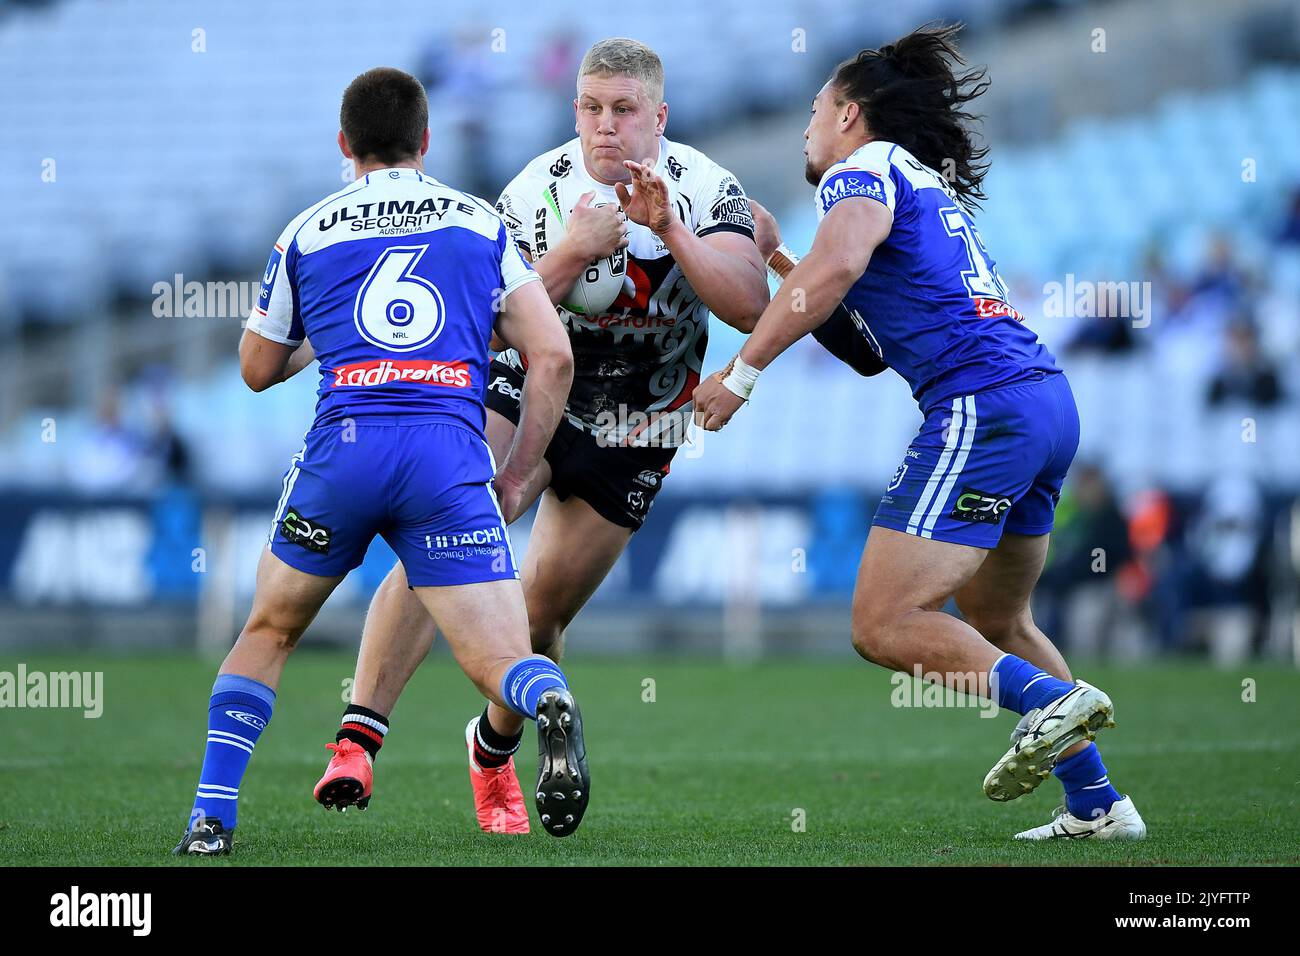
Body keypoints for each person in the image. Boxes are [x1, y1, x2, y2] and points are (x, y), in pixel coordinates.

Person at [693, 24, 1146, 841]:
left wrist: (741, 374)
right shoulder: (911, 180)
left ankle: (1050, 703)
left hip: (982, 402)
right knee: (998, 621)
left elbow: (834, 276)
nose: (805, 128)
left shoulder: (860, 171)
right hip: (1043, 401)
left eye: (814, 110)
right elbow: (864, 348)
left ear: (851, 116)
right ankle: (1097, 805)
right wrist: (775, 260)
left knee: (882, 624)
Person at [313, 37, 772, 835]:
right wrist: (566, 256)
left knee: (539, 617)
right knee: (441, 533)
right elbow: (482, 327)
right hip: (525, 385)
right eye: (591, 108)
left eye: (624, 111)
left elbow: (750, 306)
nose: (605, 127)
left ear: (658, 117)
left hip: (638, 421)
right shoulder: (532, 193)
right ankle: (358, 737)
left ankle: (492, 749)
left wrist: (673, 233)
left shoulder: (704, 186)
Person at [175, 67, 585, 855]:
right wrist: (517, 475)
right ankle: (548, 697)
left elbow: (256, 369)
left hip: (346, 453)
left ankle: (211, 818)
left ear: (344, 145)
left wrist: (326, 344)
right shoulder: (478, 222)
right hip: (445, 457)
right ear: (425, 142)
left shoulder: (307, 229)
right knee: (502, 657)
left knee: (268, 630)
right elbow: (552, 356)